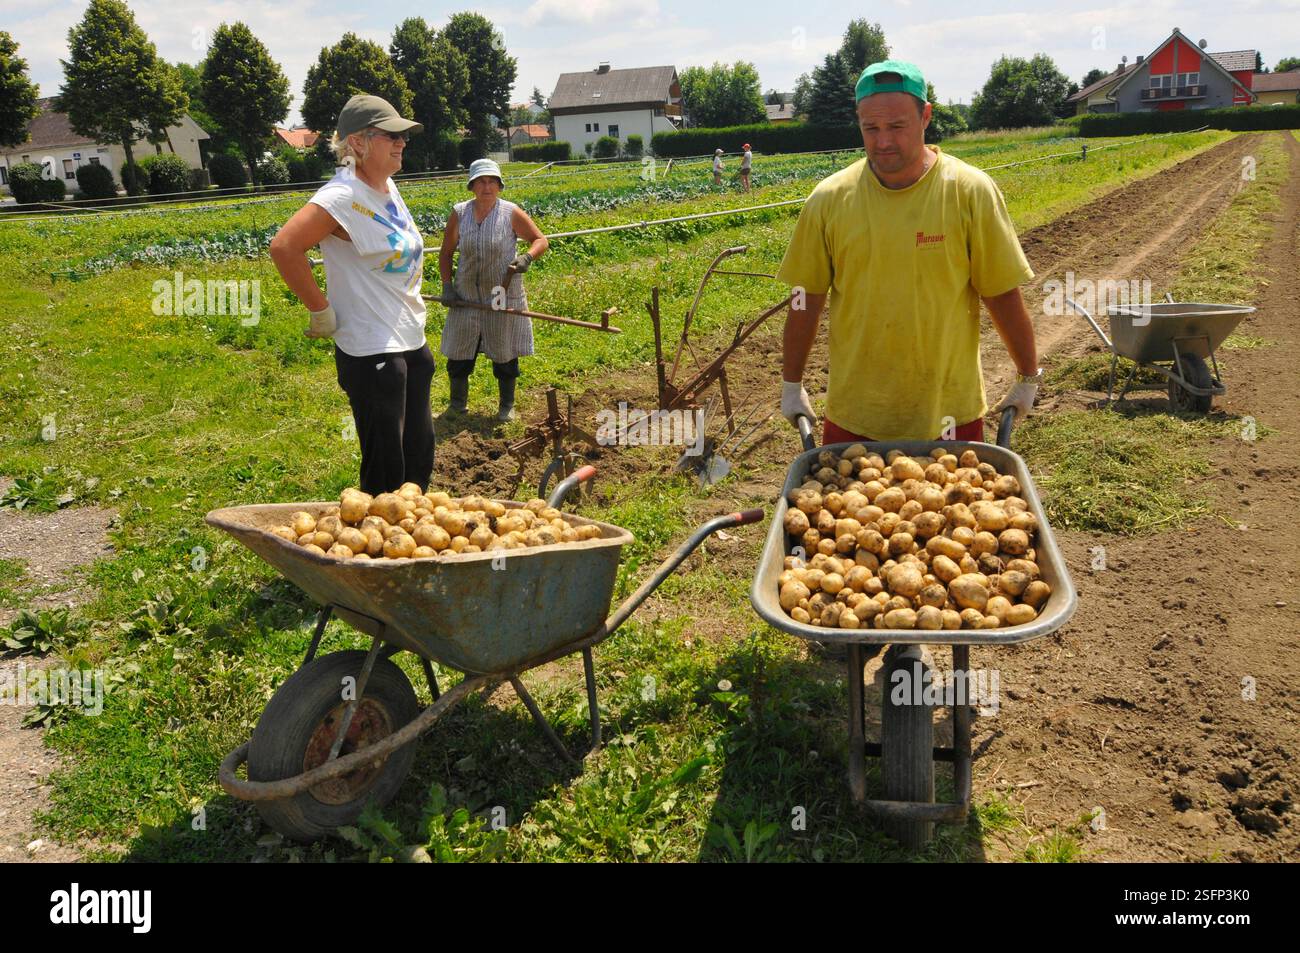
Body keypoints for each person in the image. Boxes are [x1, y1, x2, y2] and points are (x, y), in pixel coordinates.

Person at [777, 60, 1040, 446]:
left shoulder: (969, 192)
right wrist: (791, 382)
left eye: (897, 126)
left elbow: (1000, 292)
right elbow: (805, 300)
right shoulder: (830, 199)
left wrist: (1028, 375)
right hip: (855, 416)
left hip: (950, 414)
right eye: (871, 128)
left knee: (957, 503)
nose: (883, 141)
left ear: (925, 116)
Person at [269, 94, 433, 495]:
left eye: (403, 136)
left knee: (419, 455)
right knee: (386, 471)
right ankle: (374, 548)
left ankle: (414, 545)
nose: (401, 143)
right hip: (372, 350)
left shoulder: (385, 185)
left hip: (411, 339)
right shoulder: (341, 196)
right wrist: (321, 310)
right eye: (390, 135)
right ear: (357, 143)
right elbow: (284, 247)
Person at [438, 159, 548, 422]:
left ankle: (506, 405)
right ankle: (457, 405)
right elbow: (446, 253)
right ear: (472, 186)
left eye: (491, 181)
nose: (486, 186)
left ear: (499, 186)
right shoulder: (459, 213)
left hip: (501, 292)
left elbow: (540, 240)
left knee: (504, 350)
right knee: (459, 351)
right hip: (466, 295)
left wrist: (527, 258)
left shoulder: (510, 212)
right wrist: (446, 286)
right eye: (480, 181)